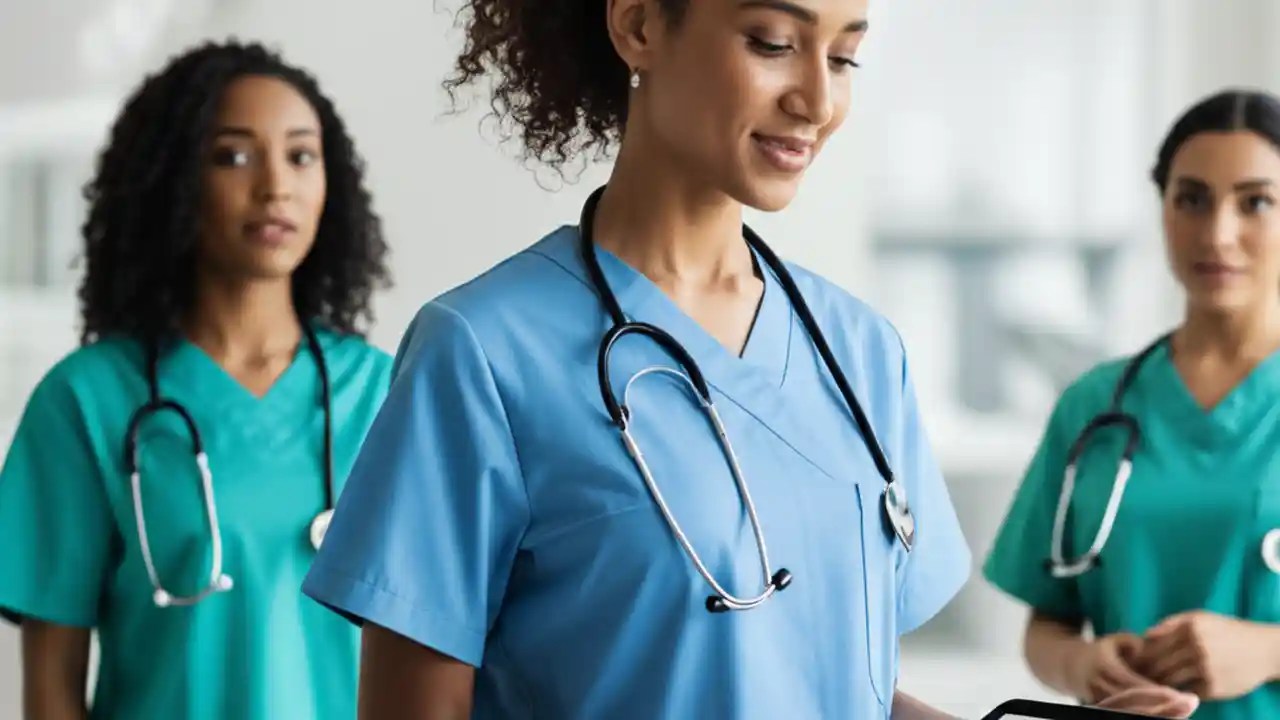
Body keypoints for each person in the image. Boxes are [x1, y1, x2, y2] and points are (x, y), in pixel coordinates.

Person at [301, 1, 1194, 718]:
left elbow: (838, 690)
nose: (818, 100)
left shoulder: (860, 352)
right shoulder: (485, 353)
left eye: (844, 56)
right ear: (639, 24)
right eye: (773, 43)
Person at [0, 40, 393, 720]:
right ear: (173, 180)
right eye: (233, 156)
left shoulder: (388, 395)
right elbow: (52, 689)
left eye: (301, 156)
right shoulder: (87, 402)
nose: (275, 186)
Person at [983, 88, 1280, 720]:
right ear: (1163, 209)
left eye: (1255, 202)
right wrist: (1082, 665)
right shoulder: (1093, 406)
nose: (1218, 233)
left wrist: (1268, 651)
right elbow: (1047, 625)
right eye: (1192, 199)